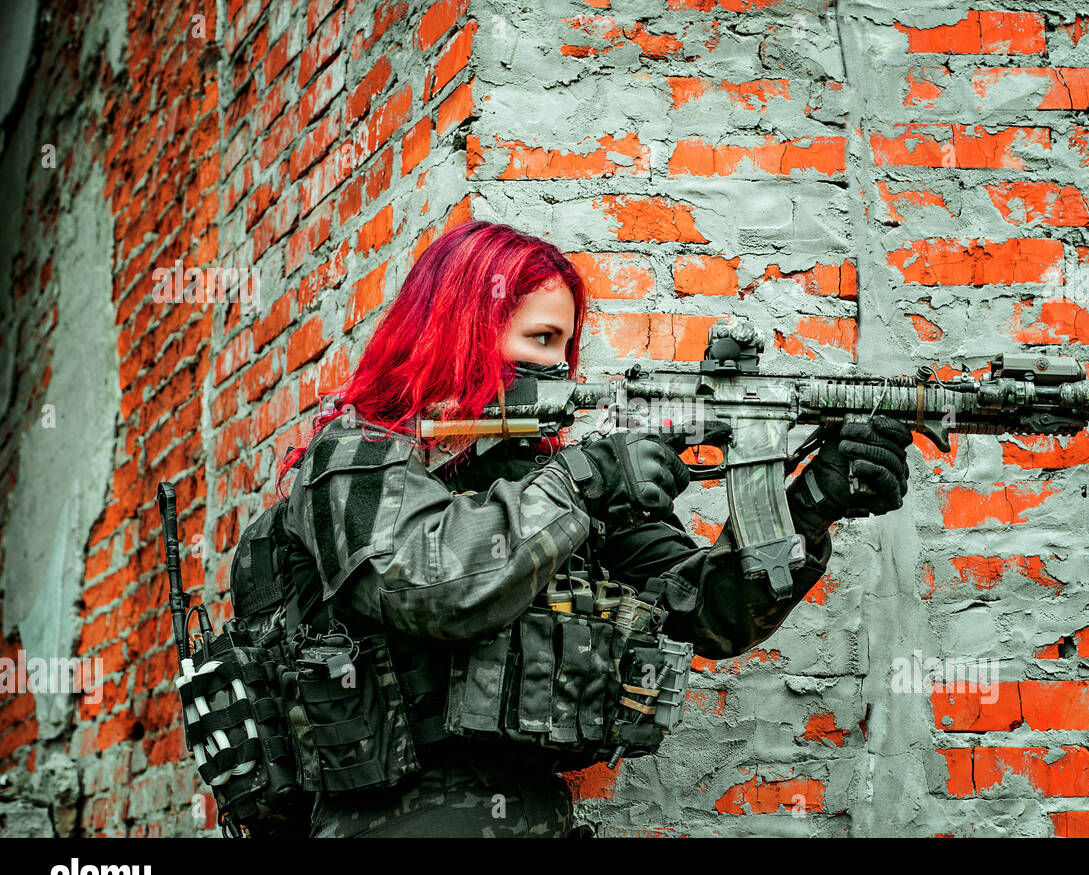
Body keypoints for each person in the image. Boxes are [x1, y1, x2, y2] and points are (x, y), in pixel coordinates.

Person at [274, 221, 913, 837]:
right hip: (392, 819)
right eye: (540, 340)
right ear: (462, 331)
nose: (560, 369)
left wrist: (809, 503)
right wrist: (589, 477)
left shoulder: (550, 477)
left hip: (537, 815)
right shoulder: (357, 455)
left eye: (566, 347)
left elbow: (700, 612)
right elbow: (432, 583)